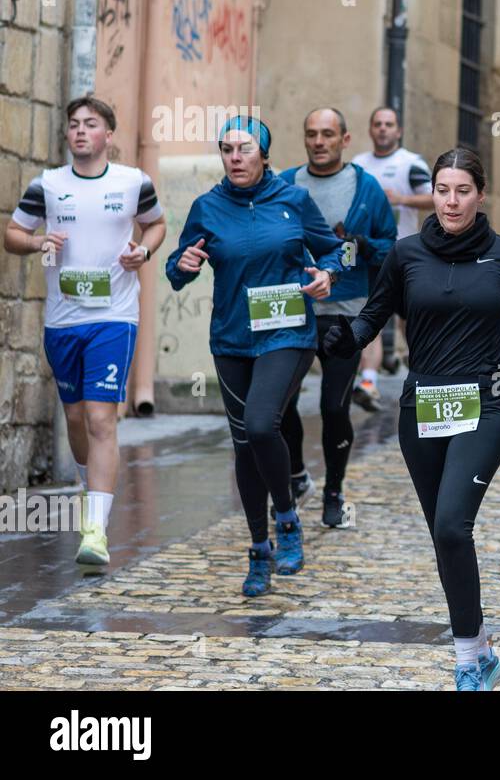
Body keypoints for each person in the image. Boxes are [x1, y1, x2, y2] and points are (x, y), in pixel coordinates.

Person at [322, 147, 500, 691]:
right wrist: (344, 338)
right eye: (443, 190)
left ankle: (467, 660)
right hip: (422, 408)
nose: (452, 201)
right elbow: (372, 315)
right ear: (432, 193)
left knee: (451, 524)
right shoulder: (407, 253)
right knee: (446, 538)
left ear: (480, 194)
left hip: (484, 404)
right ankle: (481, 648)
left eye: (463, 190)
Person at [167, 116, 346, 597]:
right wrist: (181, 266)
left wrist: (327, 274)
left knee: (263, 424)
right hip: (231, 339)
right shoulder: (208, 207)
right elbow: (177, 267)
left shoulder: (293, 199)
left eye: (245, 149)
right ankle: (258, 550)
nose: (235, 157)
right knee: (244, 442)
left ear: (265, 154)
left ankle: (286, 516)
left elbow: (335, 251)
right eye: (227, 150)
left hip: (287, 330)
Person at [4, 97, 166, 567]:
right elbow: (12, 233)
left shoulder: (133, 181)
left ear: (108, 135)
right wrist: (37, 241)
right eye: (73, 124)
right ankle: (87, 485)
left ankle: (95, 530)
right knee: (75, 419)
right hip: (63, 319)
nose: (80, 132)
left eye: (90, 124)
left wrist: (144, 252)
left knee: (101, 418)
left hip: (114, 317)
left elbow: (156, 225)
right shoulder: (48, 185)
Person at [278, 108, 397, 526]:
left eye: (328, 134)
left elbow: (391, 249)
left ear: (345, 140)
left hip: (345, 312)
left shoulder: (366, 188)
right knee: (281, 405)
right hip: (293, 309)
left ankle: (334, 492)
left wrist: (363, 245)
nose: (319, 142)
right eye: (311, 134)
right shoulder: (285, 184)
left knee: (333, 407)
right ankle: (296, 475)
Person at [350, 107, 434, 410]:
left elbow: (435, 197)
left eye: (389, 125)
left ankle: (424, 379)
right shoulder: (358, 165)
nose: (383, 129)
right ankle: (368, 382)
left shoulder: (410, 164)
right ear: (371, 130)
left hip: (407, 254)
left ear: (398, 131)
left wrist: (402, 199)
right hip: (371, 255)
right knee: (370, 317)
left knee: (410, 321)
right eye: (378, 124)